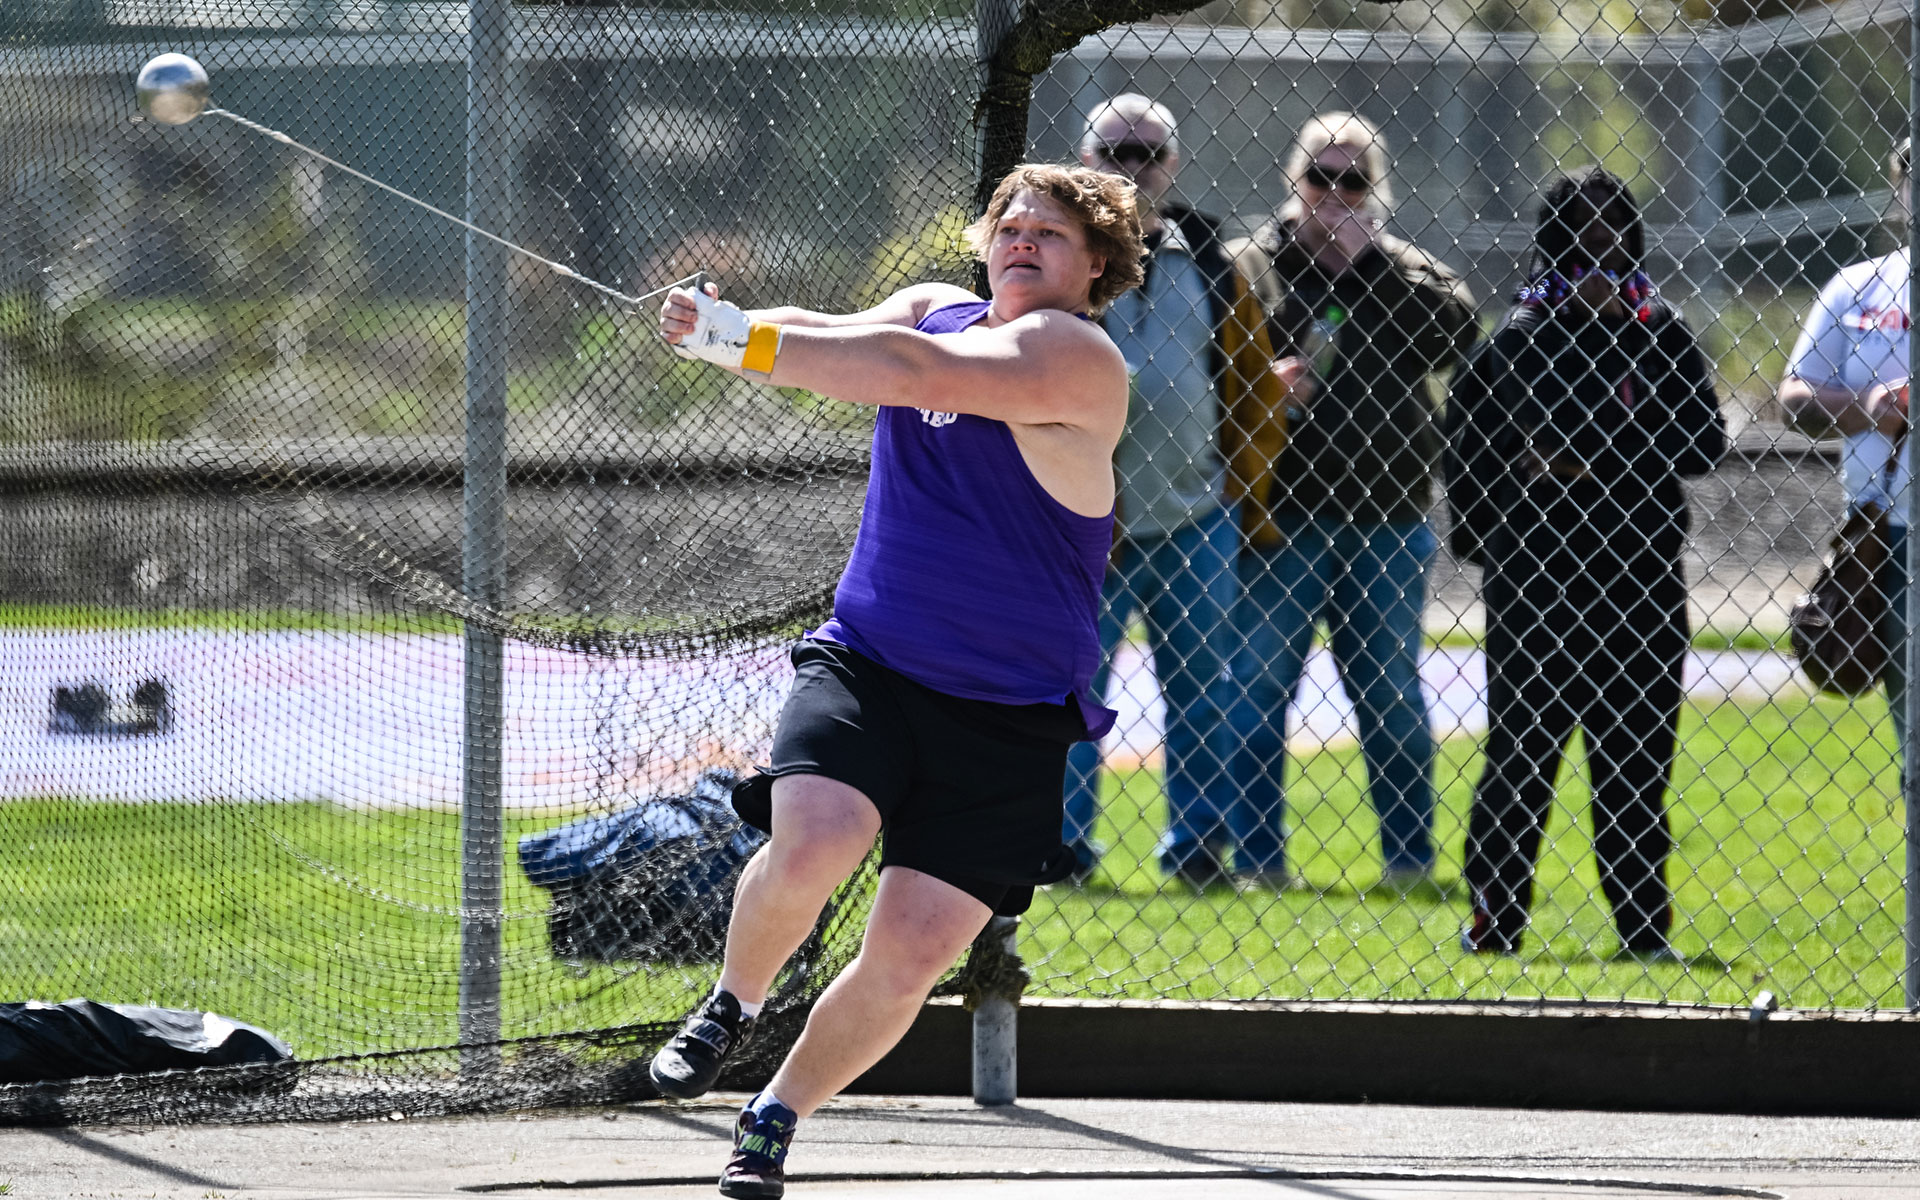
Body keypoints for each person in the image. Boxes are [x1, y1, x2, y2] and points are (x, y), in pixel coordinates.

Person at [646, 163, 1145, 1199]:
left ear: (1097, 268)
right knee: (817, 838)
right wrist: (721, 323)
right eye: (1009, 224)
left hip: (1008, 717)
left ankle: (776, 1113)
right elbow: (847, 333)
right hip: (872, 663)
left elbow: (911, 374)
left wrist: (741, 344)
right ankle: (731, 1002)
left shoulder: (1076, 357)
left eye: (1051, 235)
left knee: (912, 954)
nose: (1022, 241)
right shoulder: (934, 310)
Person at [1444, 165, 1726, 958]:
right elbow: (1485, 451)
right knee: (1521, 756)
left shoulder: (1657, 328)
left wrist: (1587, 448)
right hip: (1536, 581)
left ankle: (1643, 932)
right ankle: (1494, 922)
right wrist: (1504, 520)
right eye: (1582, 235)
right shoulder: (1521, 333)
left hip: (1639, 578)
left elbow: (1702, 442)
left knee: (1637, 759)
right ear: (1553, 242)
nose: (1600, 253)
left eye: (1614, 235)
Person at [1226, 113, 1478, 890]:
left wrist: (1371, 268)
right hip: (1281, 512)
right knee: (1260, 686)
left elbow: (1462, 337)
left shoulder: (1403, 268)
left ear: (1378, 192)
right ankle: (1260, 862)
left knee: (1390, 692)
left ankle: (1408, 862)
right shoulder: (1251, 264)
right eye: (1320, 177)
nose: (1334, 195)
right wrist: (1260, 384)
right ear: (1293, 182)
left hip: (1388, 513)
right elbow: (1210, 361)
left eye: (1353, 180)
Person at [1069, 94, 1288, 887]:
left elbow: (1253, 385)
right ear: (1085, 160)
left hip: (1199, 518)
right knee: (1072, 698)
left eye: (1149, 153)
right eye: (1116, 152)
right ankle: (1063, 851)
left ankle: (1197, 852)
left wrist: (1241, 483)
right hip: (1088, 524)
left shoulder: (1211, 263)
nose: (1134, 168)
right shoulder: (1067, 260)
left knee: (1203, 694)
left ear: (1173, 163)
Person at [1778, 136, 1912, 765]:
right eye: (1911, 172)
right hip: (1888, 536)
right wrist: (1869, 409)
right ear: (1900, 187)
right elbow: (1795, 397)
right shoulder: (1860, 287)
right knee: (1911, 730)